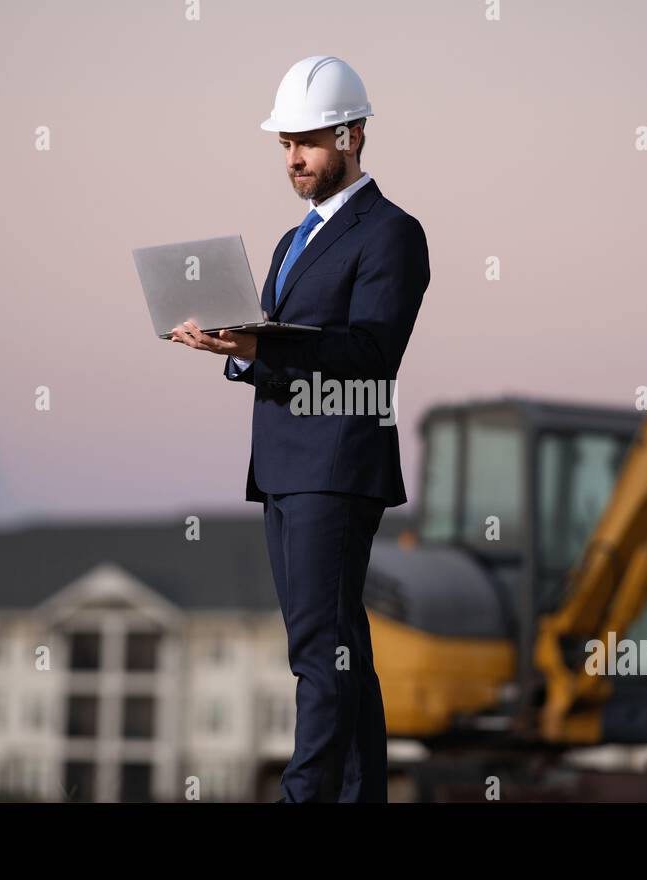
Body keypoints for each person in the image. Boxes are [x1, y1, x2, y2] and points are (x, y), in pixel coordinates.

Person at [170, 55, 429, 802]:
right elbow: (280, 355)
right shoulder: (289, 243)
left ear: (351, 136)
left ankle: (301, 796)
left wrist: (258, 347)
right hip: (284, 465)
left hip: (338, 466)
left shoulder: (392, 234)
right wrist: (234, 349)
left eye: (307, 142)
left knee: (322, 649)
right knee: (336, 649)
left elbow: (371, 355)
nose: (292, 158)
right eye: (284, 143)